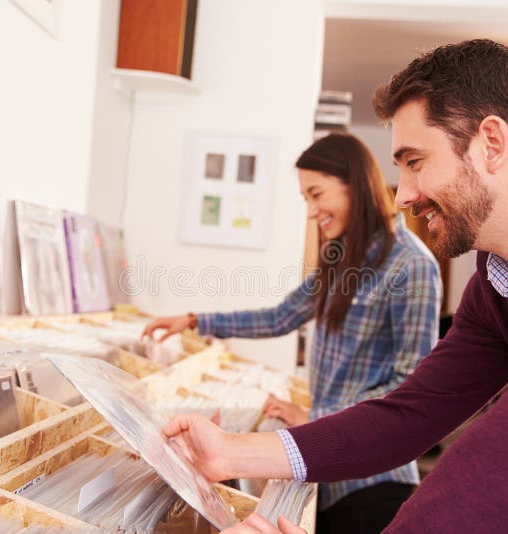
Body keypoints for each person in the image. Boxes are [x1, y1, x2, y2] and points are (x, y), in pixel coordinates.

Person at [162, 39, 508, 533]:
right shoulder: (502, 280)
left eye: (415, 162)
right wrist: (229, 451)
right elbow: (410, 414)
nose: (402, 194)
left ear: (491, 142)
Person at [143, 132, 442, 533]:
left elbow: (412, 385)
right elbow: (281, 317)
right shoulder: (342, 258)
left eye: (316, 194)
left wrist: (316, 417)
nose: (311, 211)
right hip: (331, 470)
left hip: (374, 485)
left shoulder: (412, 265)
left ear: (354, 183)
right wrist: (196, 321)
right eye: (306, 199)